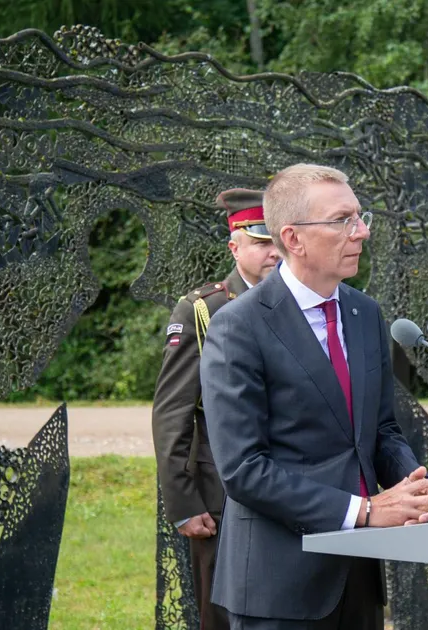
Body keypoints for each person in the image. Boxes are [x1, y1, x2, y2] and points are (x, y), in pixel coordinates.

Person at [199, 163, 428, 630]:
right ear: (293, 239)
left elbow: (379, 429)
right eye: (343, 220)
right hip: (279, 582)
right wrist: (366, 510)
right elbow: (242, 469)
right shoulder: (239, 325)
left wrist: (414, 483)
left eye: (359, 215)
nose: (362, 231)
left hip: (358, 574)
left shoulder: (364, 312)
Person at [152, 188, 281, 629]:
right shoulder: (203, 310)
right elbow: (173, 411)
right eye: (261, 242)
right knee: (224, 612)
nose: (273, 254)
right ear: (235, 246)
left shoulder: (305, 304)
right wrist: (184, 501)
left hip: (296, 485)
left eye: (279, 242)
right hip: (222, 493)